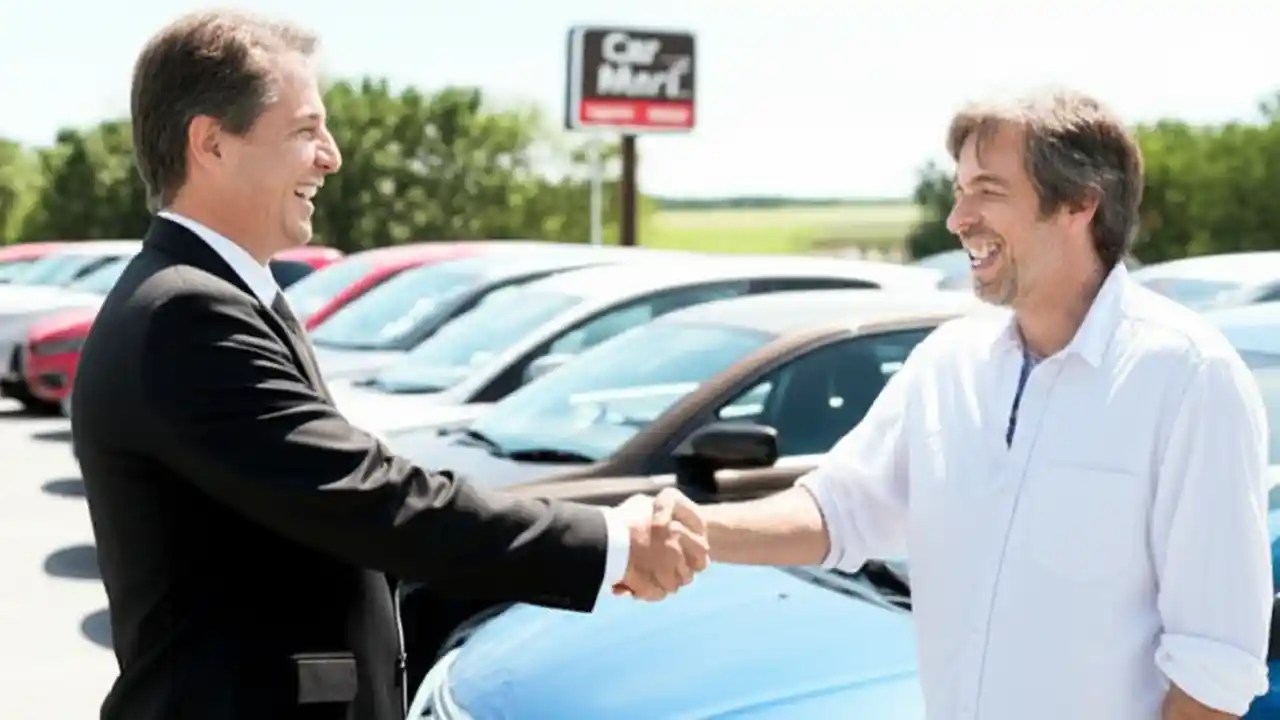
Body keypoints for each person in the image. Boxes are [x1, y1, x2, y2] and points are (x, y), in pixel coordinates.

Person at [71, 11, 707, 720]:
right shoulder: (184, 316)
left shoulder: (199, 296)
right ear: (211, 143)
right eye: (305, 130)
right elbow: (369, 499)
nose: (332, 155)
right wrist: (613, 543)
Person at [644, 89, 1273, 719]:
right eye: (959, 190)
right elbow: (843, 509)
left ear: (1082, 202)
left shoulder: (1189, 378)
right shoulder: (948, 361)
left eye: (988, 191)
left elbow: (1214, 666)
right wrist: (699, 529)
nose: (958, 219)